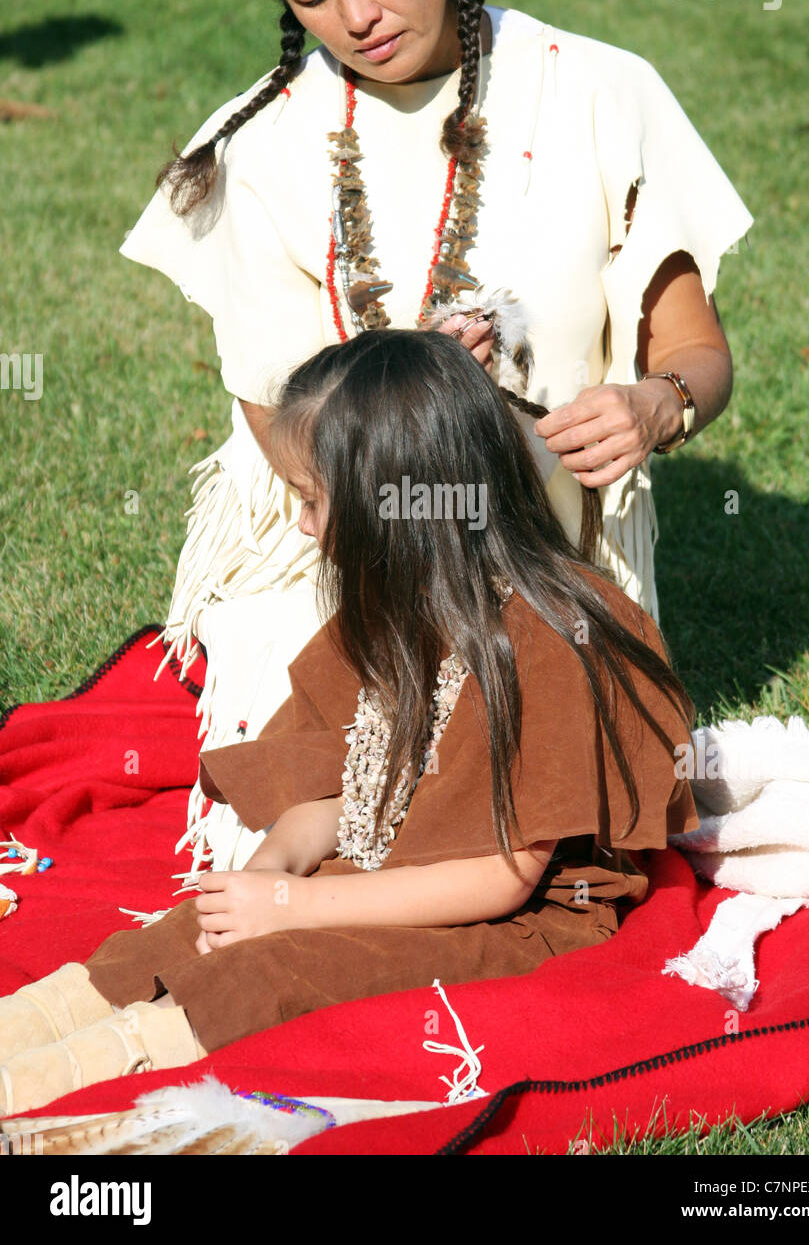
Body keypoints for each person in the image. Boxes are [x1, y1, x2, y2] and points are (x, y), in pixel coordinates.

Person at [117, 0, 753, 874]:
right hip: (339, 548)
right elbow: (277, 429)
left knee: (511, 835)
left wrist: (654, 404)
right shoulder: (265, 144)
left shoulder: (592, 90)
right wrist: (400, 402)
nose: (357, 13)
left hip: (534, 551)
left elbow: (694, 354)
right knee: (294, 831)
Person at [0, 329, 699, 1116]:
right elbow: (348, 791)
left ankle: (57, 1085)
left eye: (311, 500)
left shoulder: (550, 640)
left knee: (273, 972)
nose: (303, 526)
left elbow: (507, 875)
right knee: (177, 937)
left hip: (518, 920)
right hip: (396, 866)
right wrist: (270, 874)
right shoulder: (395, 606)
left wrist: (296, 913)